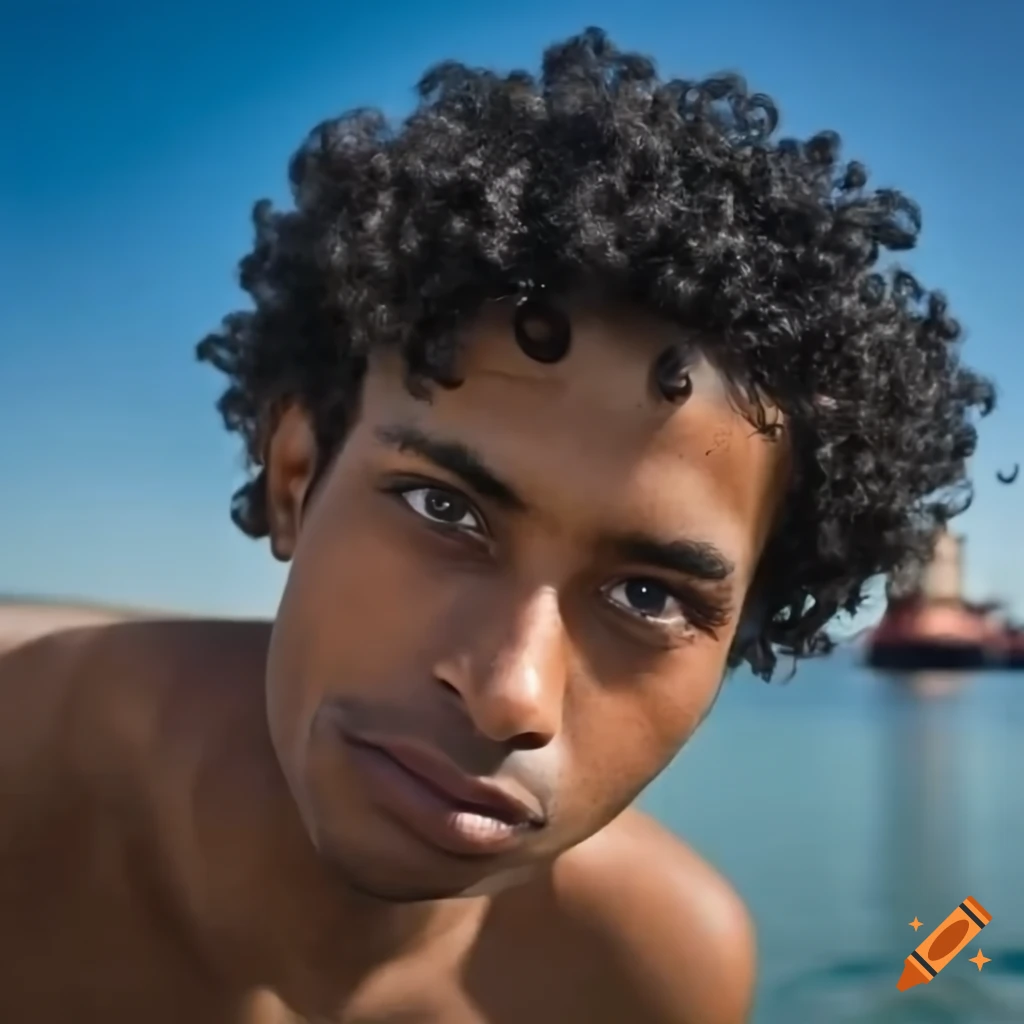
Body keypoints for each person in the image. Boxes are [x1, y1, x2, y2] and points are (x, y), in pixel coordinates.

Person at [0, 27, 994, 1024]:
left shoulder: (645, 977)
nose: (509, 691)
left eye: (647, 595)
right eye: (444, 508)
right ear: (296, 473)